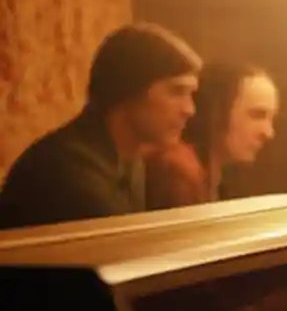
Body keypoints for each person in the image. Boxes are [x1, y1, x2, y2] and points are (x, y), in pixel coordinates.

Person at [0, 23, 200, 229]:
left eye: (190, 94)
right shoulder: (68, 171)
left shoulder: (128, 161)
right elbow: (128, 251)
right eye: (176, 92)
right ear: (128, 90)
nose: (189, 109)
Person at [146, 62, 280, 209]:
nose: (268, 133)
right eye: (257, 115)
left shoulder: (214, 176)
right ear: (216, 111)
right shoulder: (179, 170)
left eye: (271, 118)